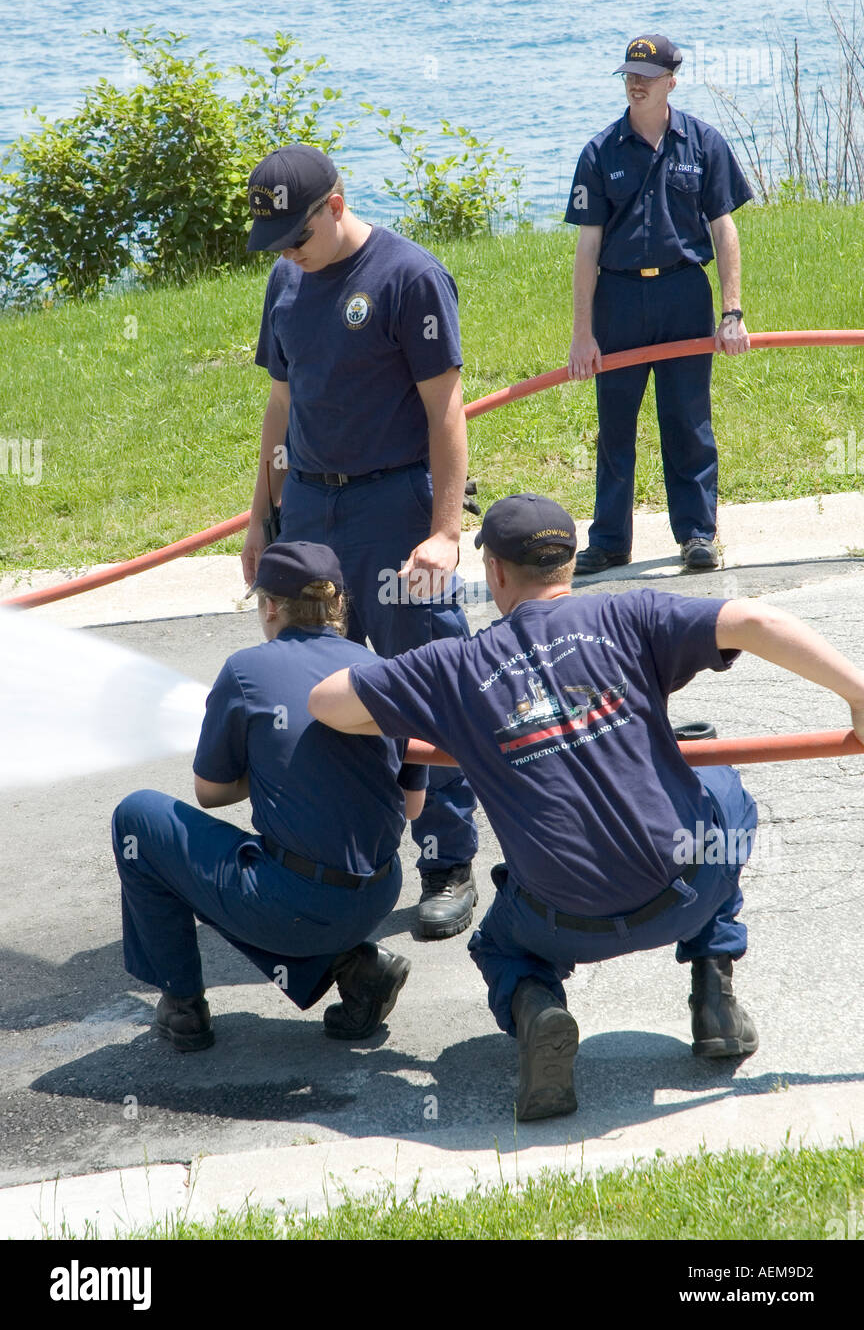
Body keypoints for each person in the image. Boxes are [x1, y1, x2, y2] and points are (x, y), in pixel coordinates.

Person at [309, 493, 864, 1120]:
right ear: (570, 562)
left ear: (495, 573)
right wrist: (859, 693)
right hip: (684, 891)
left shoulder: (454, 667)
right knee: (724, 794)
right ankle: (715, 993)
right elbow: (757, 622)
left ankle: (538, 1008)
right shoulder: (629, 616)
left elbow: (327, 702)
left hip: (562, 920)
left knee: (499, 945)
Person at [242, 143, 479, 940]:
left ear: (335, 206)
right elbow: (282, 402)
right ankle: (339, 852)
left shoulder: (409, 277)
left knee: (423, 678)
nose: (287, 256)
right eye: (274, 244)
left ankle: (447, 860)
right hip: (310, 508)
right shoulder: (287, 278)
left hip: (394, 507)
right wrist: (260, 515)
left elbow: (447, 409)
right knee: (315, 681)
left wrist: (446, 531)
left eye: (295, 238)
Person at [110, 541, 422, 1052]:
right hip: (379, 895)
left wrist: (275, 769)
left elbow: (208, 793)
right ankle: (356, 966)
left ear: (270, 606)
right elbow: (413, 808)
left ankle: (184, 1006)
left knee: (139, 821)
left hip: (298, 909)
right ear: (338, 605)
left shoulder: (245, 671)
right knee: (265, 871)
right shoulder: (380, 669)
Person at [565, 33, 753, 575]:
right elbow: (587, 249)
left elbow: (724, 230)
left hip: (683, 292)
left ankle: (698, 534)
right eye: (629, 76)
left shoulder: (704, 143)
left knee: (687, 419)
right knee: (615, 424)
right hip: (618, 298)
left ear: (672, 80)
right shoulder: (600, 152)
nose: (635, 85)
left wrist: (732, 311)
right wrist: (583, 333)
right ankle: (608, 540)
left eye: (646, 77)